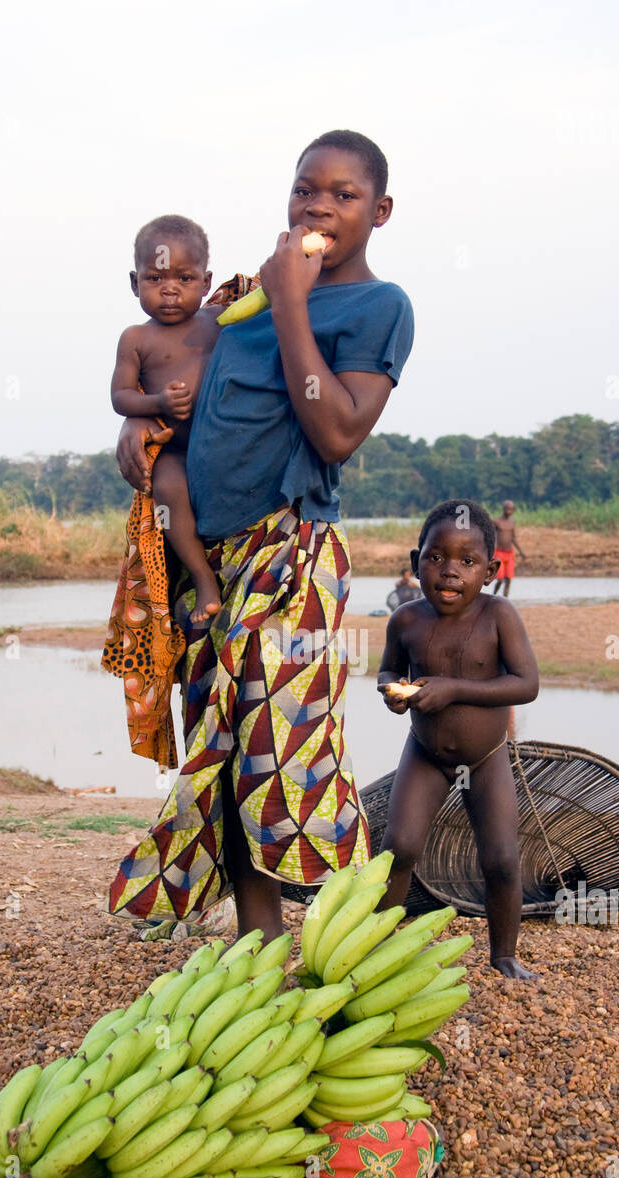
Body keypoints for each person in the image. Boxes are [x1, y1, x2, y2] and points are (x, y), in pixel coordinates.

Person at [108, 130, 415, 943]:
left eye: (343, 194)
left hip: (291, 553)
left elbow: (338, 430)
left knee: (288, 751)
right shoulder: (237, 300)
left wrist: (290, 300)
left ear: (379, 211)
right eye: (305, 188)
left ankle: (351, 945)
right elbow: (174, 391)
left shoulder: (377, 307)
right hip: (208, 561)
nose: (318, 204)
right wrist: (137, 438)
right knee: (225, 751)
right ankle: (258, 949)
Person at [376, 499, 539, 979]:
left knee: (502, 858)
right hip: (425, 754)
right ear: (415, 561)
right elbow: (389, 668)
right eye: (436, 557)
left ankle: (504, 954)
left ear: (489, 571)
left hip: (485, 759)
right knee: (399, 847)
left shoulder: (498, 615)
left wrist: (453, 689)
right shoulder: (405, 620)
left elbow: (525, 684)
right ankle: (378, 945)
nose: (450, 572)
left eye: (467, 562)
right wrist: (392, 691)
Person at [110, 215, 222, 625]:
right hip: (175, 446)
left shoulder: (220, 321)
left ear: (207, 282)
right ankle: (202, 578)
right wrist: (156, 401)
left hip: (222, 445)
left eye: (185, 279)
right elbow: (120, 397)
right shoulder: (136, 339)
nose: (170, 290)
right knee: (167, 488)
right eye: (156, 279)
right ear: (135, 283)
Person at [492, 499, 526, 598]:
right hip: (499, 553)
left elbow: (513, 538)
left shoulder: (512, 522)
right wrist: (490, 551)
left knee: (509, 579)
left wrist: (521, 552)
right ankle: (493, 597)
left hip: (509, 553)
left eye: (511, 509)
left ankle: (505, 600)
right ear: (504, 509)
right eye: (507, 508)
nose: (509, 511)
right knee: (500, 579)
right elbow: (492, 537)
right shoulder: (496, 522)